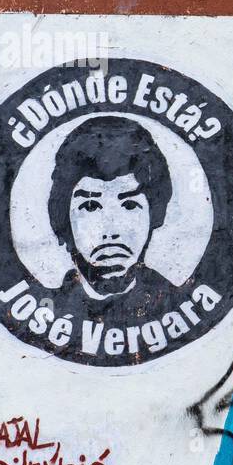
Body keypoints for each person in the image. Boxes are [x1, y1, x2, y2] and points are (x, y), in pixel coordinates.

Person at [46, 115, 180, 319]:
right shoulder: (50, 311)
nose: (111, 232)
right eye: (90, 206)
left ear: (154, 215)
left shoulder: (175, 305)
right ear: (62, 219)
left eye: (129, 205)